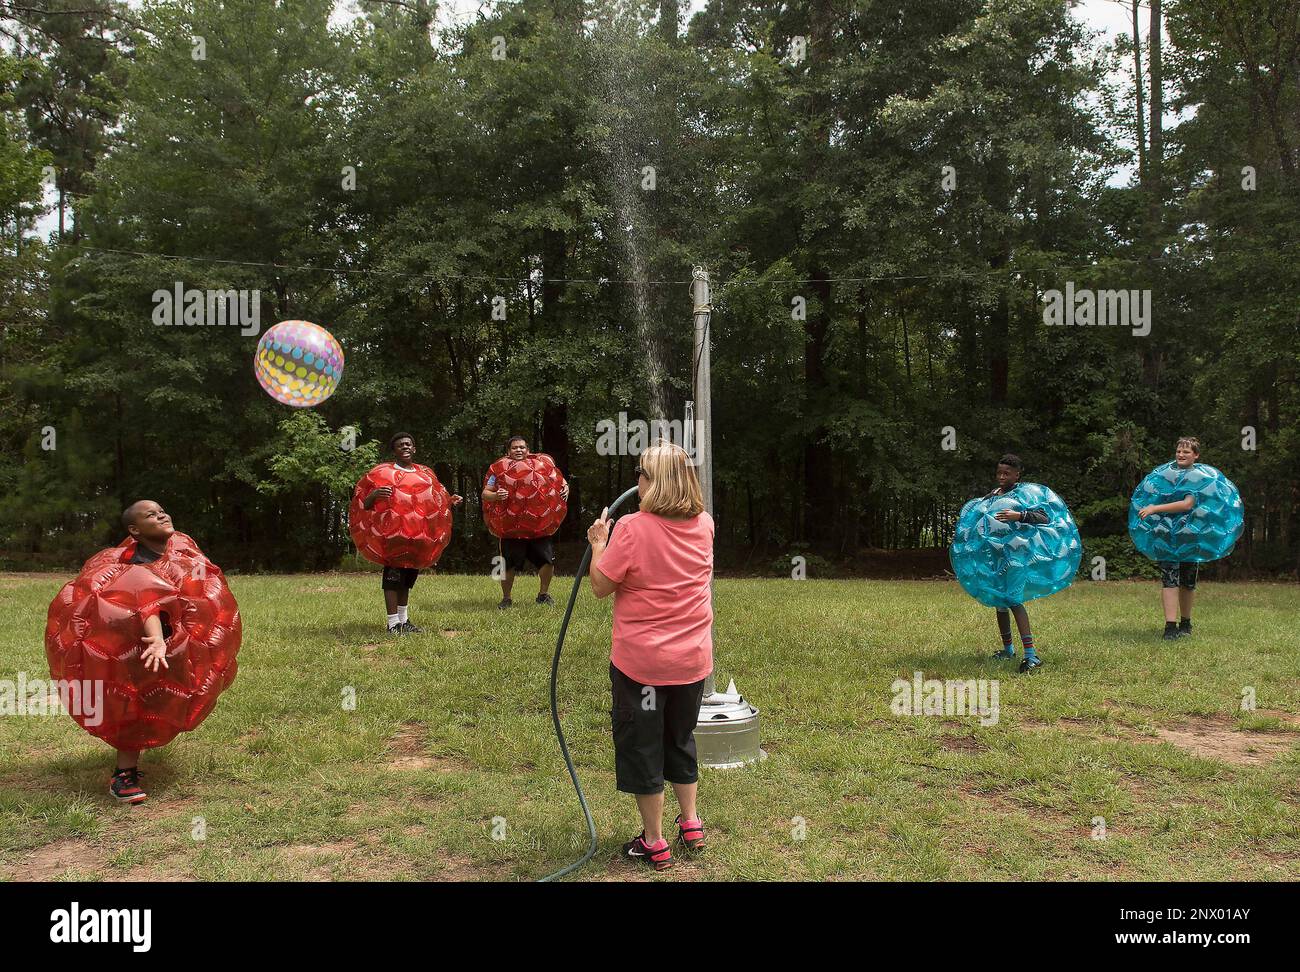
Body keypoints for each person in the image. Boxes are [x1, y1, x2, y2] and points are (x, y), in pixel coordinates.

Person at [586, 441, 713, 872]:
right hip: (692, 661)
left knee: (643, 746)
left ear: (655, 482)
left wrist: (600, 542)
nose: (635, 481)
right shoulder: (705, 524)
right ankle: (691, 823)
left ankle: (654, 841)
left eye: (641, 473)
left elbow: (601, 586)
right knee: (679, 738)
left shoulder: (632, 528)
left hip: (643, 667)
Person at [359, 433, 463, 634]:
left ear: (414, 449)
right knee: (392, 579)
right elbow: (364, 505)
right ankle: (392, 624)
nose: (405, 447)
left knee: (407, 579)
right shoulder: (383, 474)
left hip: (416, 537)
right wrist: (374, 495)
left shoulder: (424, 474)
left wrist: (450, 501)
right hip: (392, 537)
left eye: (408, 444)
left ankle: (403, 621)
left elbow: (433, 500)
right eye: (400, 445)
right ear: (394, 451)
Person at [482, 435, 569, 608]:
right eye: (515, 448)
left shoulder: (541, 465)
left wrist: (566, 487)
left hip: (538, 526)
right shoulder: (497, 469)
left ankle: (543, 594)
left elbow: (558, 481)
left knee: (547, 562)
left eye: (522, 447)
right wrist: (496, 495)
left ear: (528, 450)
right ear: (508, 451)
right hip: (510, 528)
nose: (519, 450)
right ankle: (506, 598)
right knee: (507, 565)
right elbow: (486, 493)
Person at [983, 455, 1049, 673]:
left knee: (1013, 599)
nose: (1001, 477)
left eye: (1007, 473)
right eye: (999, 473)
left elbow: (1044, 517)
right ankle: (1008, 649)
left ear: (1017, 474)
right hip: (997, 555)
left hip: (1018, 557)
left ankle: (1032, 655)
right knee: (1000, 601)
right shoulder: (993, 495)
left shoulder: (1025, 495)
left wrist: (1018, 515)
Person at [1136, 436, 1201, 640]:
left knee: (1188, 583)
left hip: (1189, 535)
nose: (1181, 455)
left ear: (1196, 456)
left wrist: (1155, 508)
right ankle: (1170, 627)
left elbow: (1187, 504)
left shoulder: (1198, 478)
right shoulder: (1166, 476)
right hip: (1166, 535)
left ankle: (1186, 623)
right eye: (1179, 451)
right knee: (1169, 580)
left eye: (1186, 452)